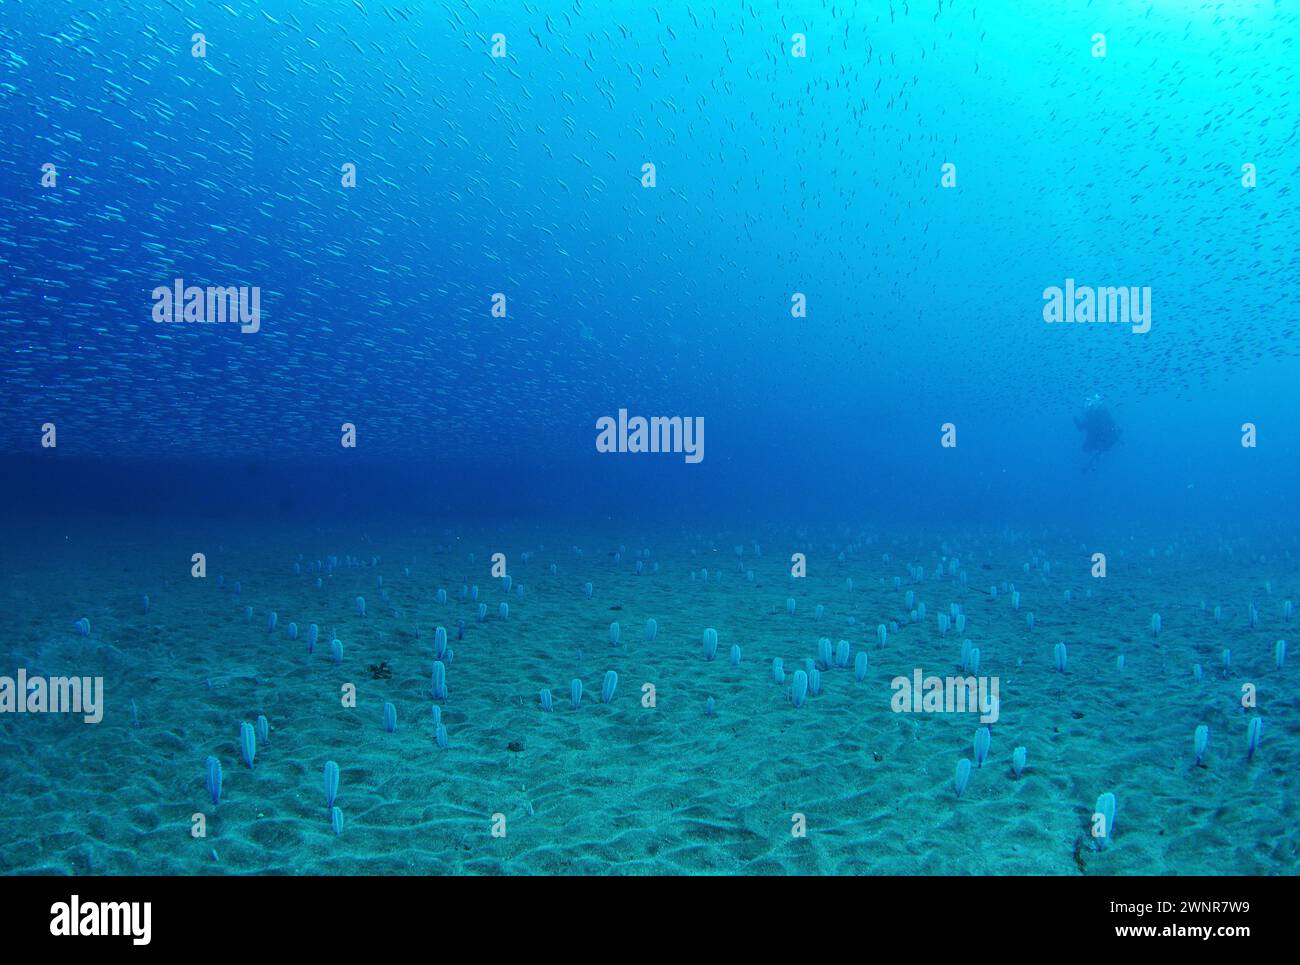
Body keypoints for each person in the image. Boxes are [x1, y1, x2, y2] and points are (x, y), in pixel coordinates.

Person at [1074, 395, 1120, 471]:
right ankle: (1099, 453)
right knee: (1086, 449)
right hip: (1098, 436)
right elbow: (1082, 427)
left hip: (1103, 437)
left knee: (1091, 448)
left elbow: (1083, 427)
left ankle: (1100, 453)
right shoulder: (1091, 416)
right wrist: (1077, 423)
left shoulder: (1099, 415)